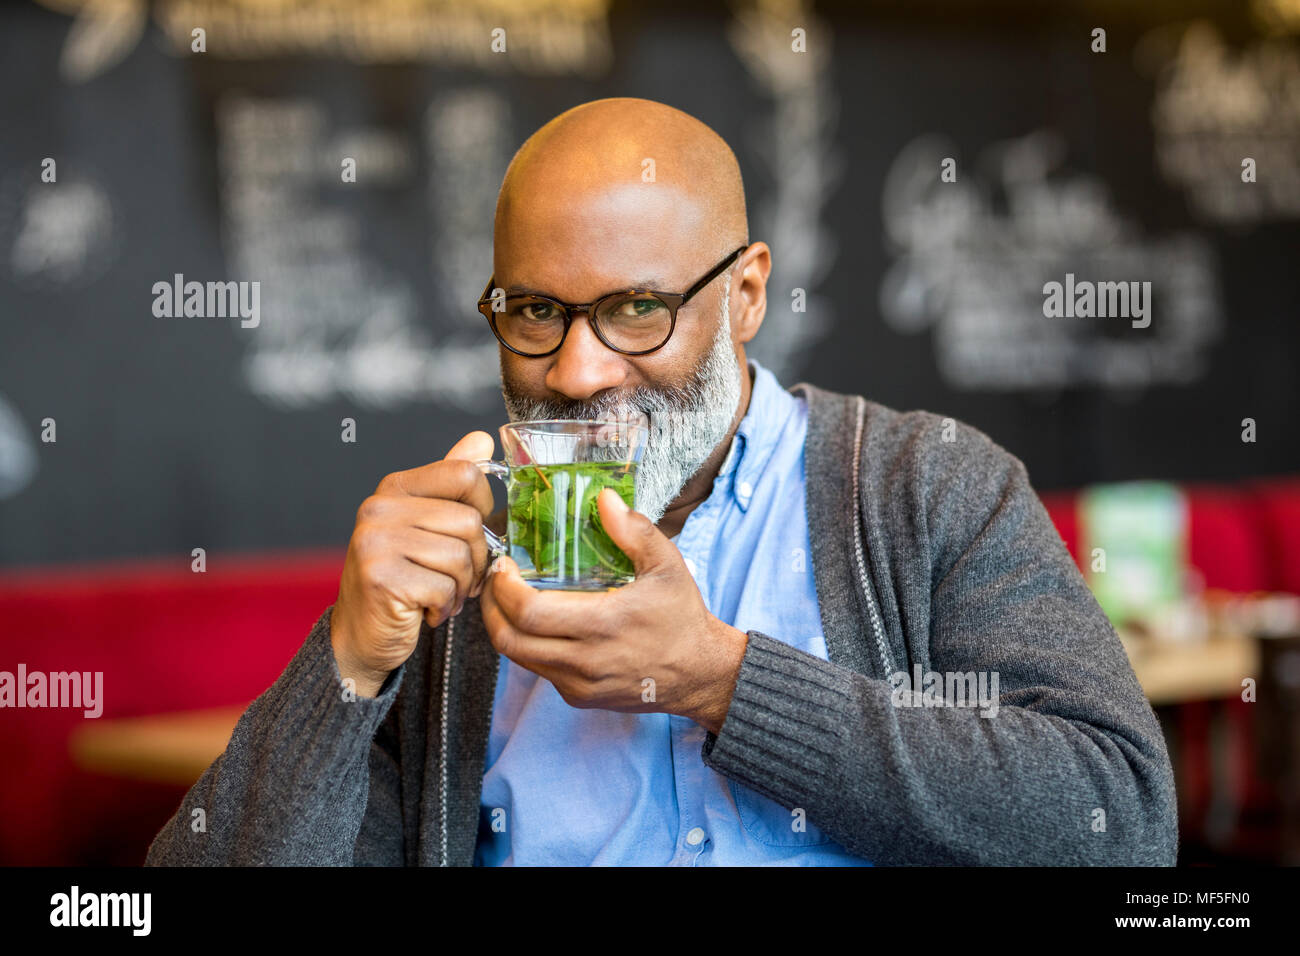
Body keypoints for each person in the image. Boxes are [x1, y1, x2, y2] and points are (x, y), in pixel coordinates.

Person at [146, 97, 1178, 866]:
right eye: (534, 311)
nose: (578, 370)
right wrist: (345, 670)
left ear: (744, 294)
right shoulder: (456, 569)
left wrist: (720, 678)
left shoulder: (925, 486)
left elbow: (1119, 819)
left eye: (636, 308)